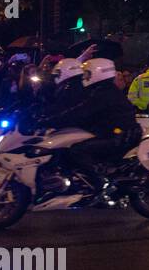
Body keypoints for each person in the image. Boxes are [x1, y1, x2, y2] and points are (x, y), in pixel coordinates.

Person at [41, 58, 141, 197]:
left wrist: (49, 121)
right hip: (112, 132)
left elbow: (80, 111)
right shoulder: (98, 90)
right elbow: (75, 109)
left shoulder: (104, 93)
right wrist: (48, 117)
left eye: (87, 73)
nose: (84, 76)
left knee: (77, 151)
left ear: (99, 73)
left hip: (120, 135)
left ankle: (102, 182)